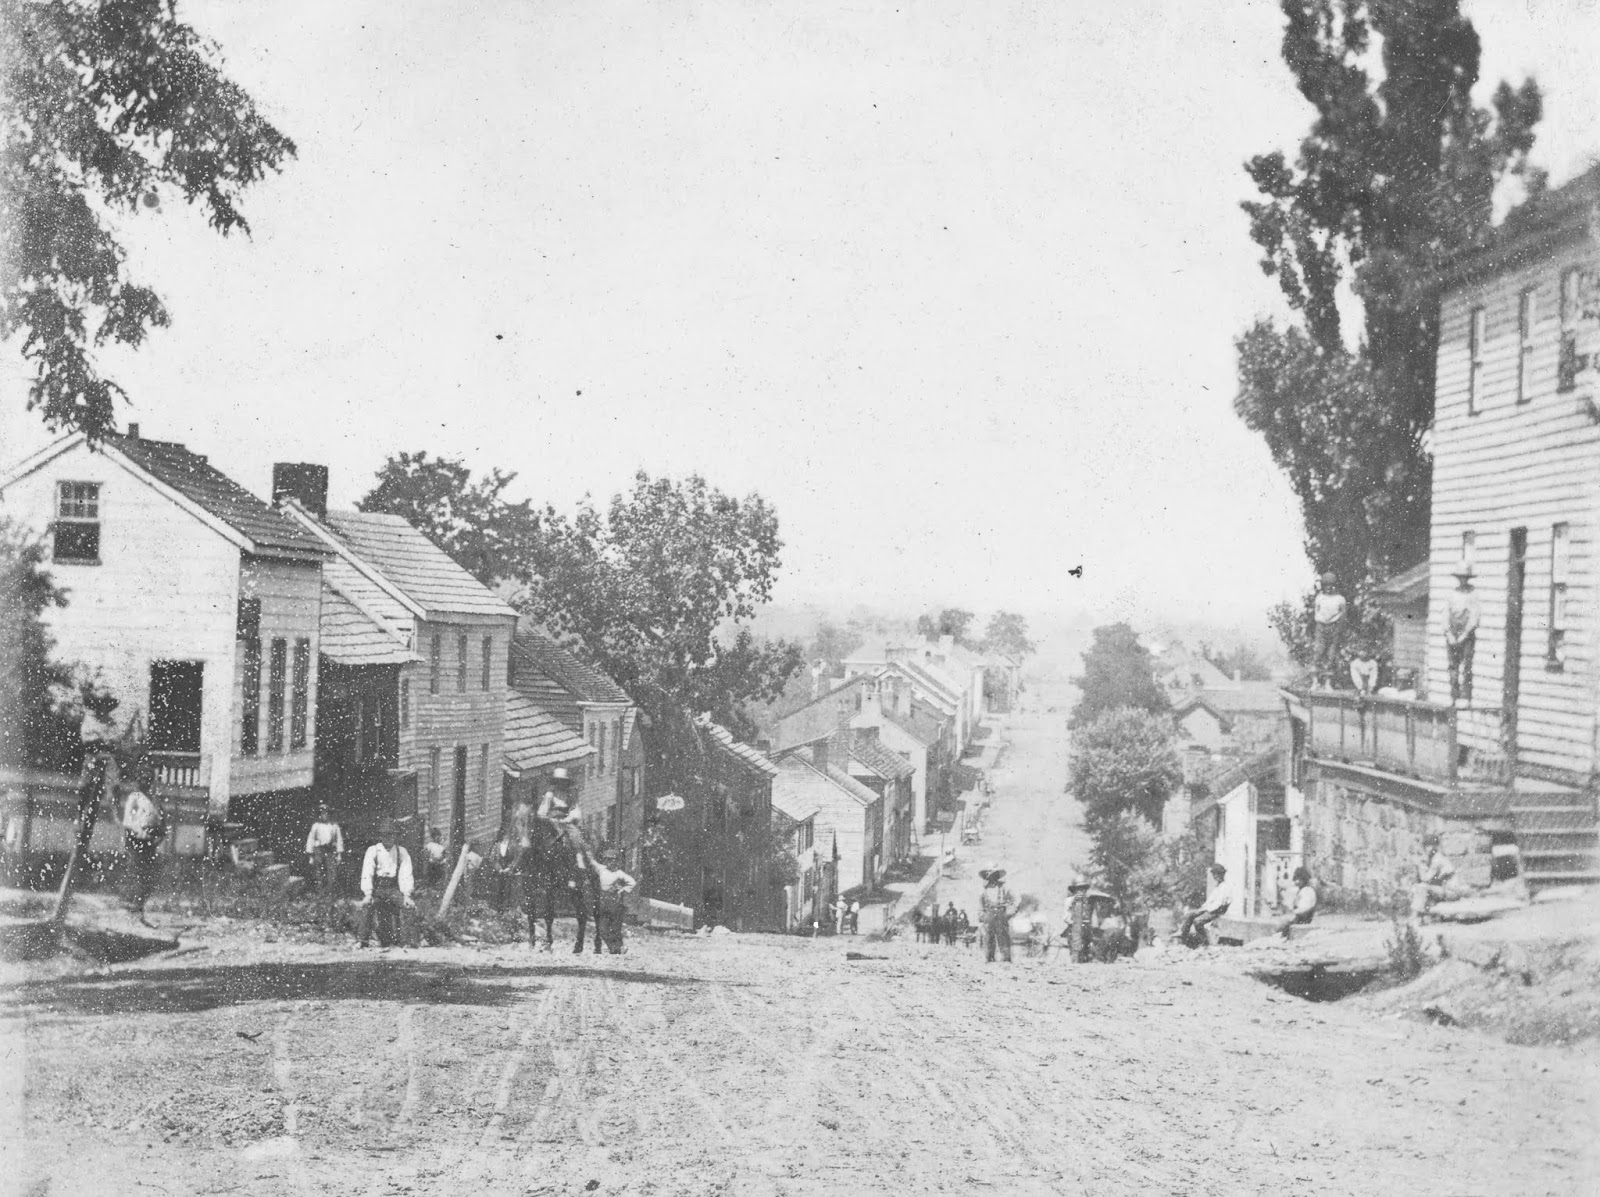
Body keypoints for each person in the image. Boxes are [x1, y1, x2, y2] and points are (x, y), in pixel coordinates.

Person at [358, 817, 415, 948]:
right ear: (380, 836)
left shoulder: (402, 852)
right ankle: (363, 940)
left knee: (408, 906)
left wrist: (407, 894)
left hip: (393, 888)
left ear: (395, 836)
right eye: (385, 835)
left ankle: (406, 942)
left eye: (391, 835)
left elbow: (406, 874)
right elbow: (367, 872)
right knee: (367, 905)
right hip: (377, 889)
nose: (388, 838)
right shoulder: (373, 850)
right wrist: (368, 893)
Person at [119, 774, 166, 923]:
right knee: (136, 873)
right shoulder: (134, 798)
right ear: (137, 782)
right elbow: (127, 821)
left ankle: (139, 907)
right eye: (142, 779)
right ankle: (131, 908)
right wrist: (132, 839)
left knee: (148, 876)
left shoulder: (154, 799)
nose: (145, 782)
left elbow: (161, 820)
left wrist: (157, 837)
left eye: (148, 779)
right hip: (136, 840)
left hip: (149, 842)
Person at [536, 769, 589, 870]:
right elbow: (542, 811)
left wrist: (569, 818)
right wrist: (549, 819)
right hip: (551, 822)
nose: (561, 784)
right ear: (555, 782)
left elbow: (575, 810)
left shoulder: (570, 795)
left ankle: (578, 856)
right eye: (559, 781)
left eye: (564, 782)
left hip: (565, 821)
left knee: (575, 834)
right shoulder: (549, 795)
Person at [304, 803, 345, 926]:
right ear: (319, 815)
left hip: (330, 851)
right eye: (322, 813)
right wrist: (310, 855)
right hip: (319, 851)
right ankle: (320, 894)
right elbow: (311, 839)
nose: (324, 815)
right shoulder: (316, 826)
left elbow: (339, 840)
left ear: (329, 814)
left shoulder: (334, 826)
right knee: (319, 873)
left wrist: (339, 854)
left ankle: (331, 895)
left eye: (326, 813)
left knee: (331, 874)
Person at [1411, 834, 1465, 920]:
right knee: (1419, 888)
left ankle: (1414, 917)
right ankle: (1423, 917)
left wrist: (1420, 865)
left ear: (1435, 846)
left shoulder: (1437, 859)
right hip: (1445, 890)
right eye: (1427, 846)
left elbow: (1426, 878)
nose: (1428, 848)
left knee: (1422, 887)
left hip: (1452, 892)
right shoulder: (1434, 858)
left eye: (1431, 845)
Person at [1445, 570, 1479, 705]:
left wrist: (1465, 634)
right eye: (1460, 578)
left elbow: (1474, 616)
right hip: (1452, 633)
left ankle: (1467, 698)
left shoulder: (1472, 594)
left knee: (1467, 667)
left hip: (1467, 634)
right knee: (1453, 666)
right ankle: (1454, 697)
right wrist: (1448, 634)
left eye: (1465, 578)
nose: (1462, 580)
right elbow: (1445, 613)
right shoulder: (1452, 593)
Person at [593, 849, 636, 954]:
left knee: (615, 927)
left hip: (614, 901)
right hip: (603, 900)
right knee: (602, 928)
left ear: (616, 861)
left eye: (613, 860)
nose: (610, 862)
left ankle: (617, 948)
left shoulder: (619, 873)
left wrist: (622, 890)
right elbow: (592, 862)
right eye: (607, 860)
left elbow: (632, 882)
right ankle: (614, 947)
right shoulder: (601, 869)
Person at [1180, 863, 1232, 948]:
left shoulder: (1225, 887)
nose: (1215, 877)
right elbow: (1209, 901)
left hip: (1217, 911)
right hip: (1210, 909)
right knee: (1190, 915)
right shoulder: (1217, 887)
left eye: (1217, 874)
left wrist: (1204, 910)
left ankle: (1204, 943)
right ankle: (1184, 940)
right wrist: (1201, 909)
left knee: (1198, 921)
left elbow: (1218, 904)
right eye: (1214, 874)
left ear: (1222, 874)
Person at [1312, 572, 1347, 689]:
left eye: (1331, 585)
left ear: (1335, 586)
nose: (1329, 588)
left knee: (1331, 654)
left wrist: (1338, 628)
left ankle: (1328, 682)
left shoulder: (1340, 599)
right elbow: (1316, 612)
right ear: (1323, 586)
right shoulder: (1320, 598)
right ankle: (1315, 680)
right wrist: (1320, 625)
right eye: (1326, 585)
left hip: (1334, 627)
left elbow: (1343, 614)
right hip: (1321, 626)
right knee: (1319, 651)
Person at [977, 864, 1015, 964]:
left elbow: (1014, 900)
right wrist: (981, 915)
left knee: (1003, 935)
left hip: (1001, 912)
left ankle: (1006, 958)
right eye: (988, 875)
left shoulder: (1003, 887)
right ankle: (989, 957)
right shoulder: (983, 889)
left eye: (993, 874)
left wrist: (1010, 913)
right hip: (989, 913)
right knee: (988, 936)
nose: (991, 877)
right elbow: (981, 903)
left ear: (997, 876)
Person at [1276, 867, 1317, 938]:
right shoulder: (1302, 890)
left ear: (1304, 880)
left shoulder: (1307, 891)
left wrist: (1293, 912)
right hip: (1300, 917)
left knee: (1283, 925)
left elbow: (1304, 908)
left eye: (1299, 880)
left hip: (1303, 919)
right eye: (1295, 880)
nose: (1296, 882)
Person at [1064, 874, 1093, 961]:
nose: (1081, 891)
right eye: (1078, 888)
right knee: (1075, 948)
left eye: (1083, 888)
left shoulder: (1088, 901)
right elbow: (1066, 915)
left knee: (1087, 948)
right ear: (1075, 890)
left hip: (1086, 927)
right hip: (1073, 927)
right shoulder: (1069, 901)